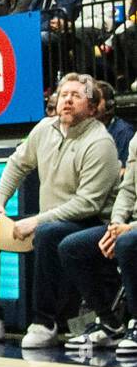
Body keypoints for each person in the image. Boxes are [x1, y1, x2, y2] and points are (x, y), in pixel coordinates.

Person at [0, 74, 120, 348]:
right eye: (63, 95)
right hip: (50, 218)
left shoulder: (100, 143)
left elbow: (88, 203)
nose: (67, 100)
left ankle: (44, 323)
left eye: (76, 95)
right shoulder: (44, 128)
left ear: (91, 106)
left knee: (47, 232)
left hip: (90, 222)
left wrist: (36, 221)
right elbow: (17, 163)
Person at [60, 137, 137, 352]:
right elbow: (127, 190)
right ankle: (109, 323)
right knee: (72, 248)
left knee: (127, 242)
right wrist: (116, 224)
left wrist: (129, 229)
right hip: (128, 227)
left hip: (132, 231)